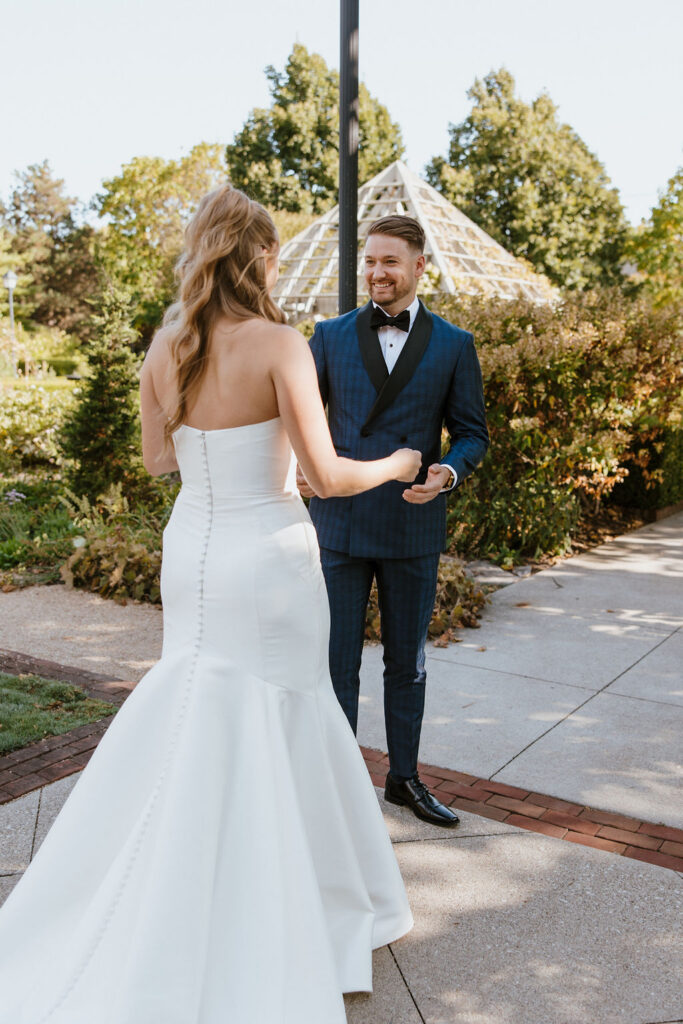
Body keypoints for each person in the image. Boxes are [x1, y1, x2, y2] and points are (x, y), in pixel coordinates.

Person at [0, 187, 420, 1024]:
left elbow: (160, 459)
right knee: (283, 712)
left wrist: (226, 450)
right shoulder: (278, 343)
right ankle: (279, 904)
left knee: (198, 703)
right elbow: (330, 476)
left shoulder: (168, 343)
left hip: (192, 548)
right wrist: (400, 462)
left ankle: (174, 883)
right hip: (266, 557)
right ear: (259, 257)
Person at [298, 215, 489, 828]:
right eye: (370, 262)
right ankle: (337, 783)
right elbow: (291, 416)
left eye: (390, 263)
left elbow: (472, 434)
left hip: (411, 525)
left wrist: (449, 472)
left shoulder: (455, 344)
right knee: (336, 662)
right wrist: (298, 467)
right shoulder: (327, 335)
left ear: (418, 267)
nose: (377, 273)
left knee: (407, 662)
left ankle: (403, 780)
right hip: (341, 521)